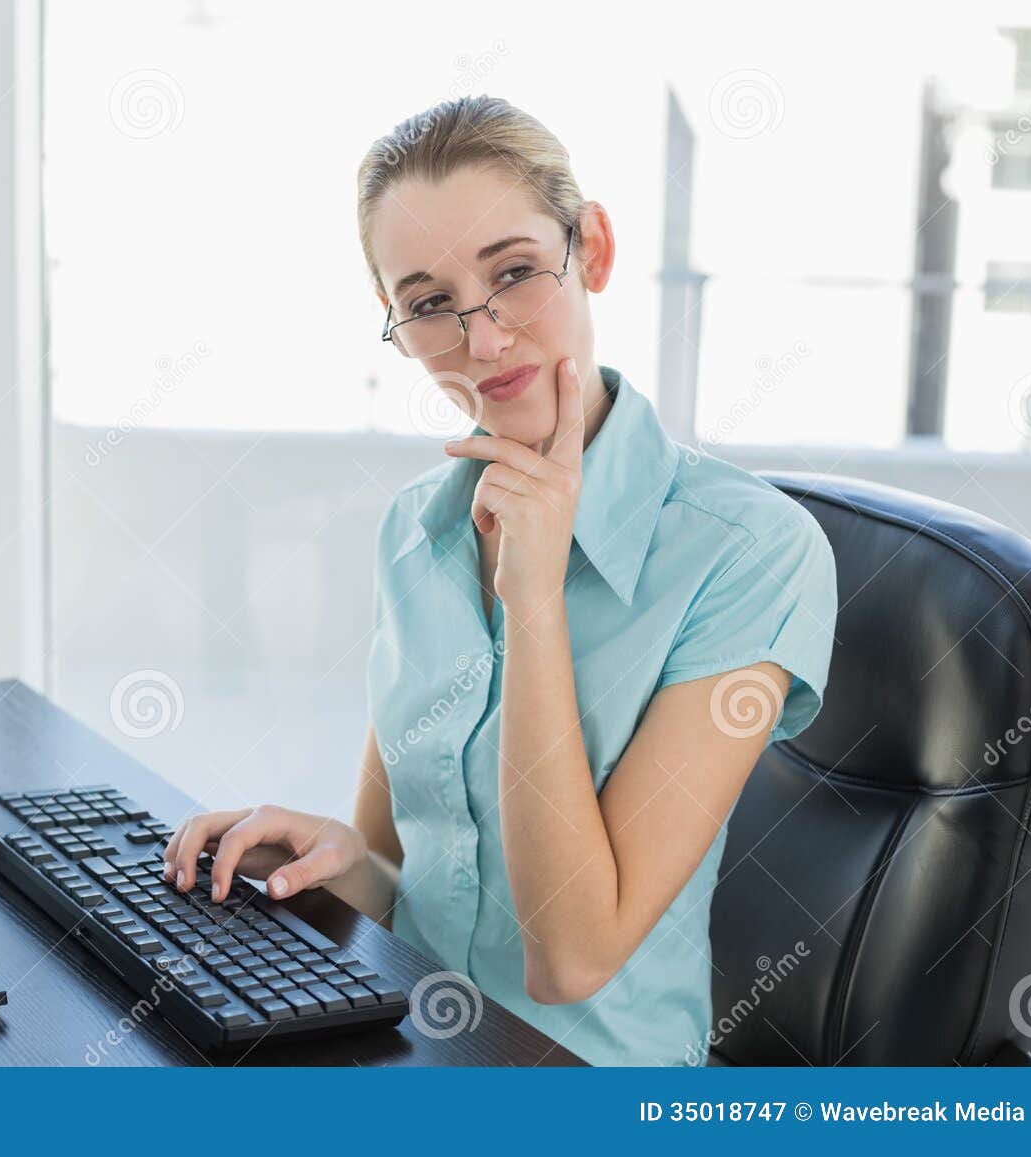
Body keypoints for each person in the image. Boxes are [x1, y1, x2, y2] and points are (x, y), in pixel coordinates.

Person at [162, 94, 838, 1066]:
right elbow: (396, 871)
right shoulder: (415, 530)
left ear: (592, 248)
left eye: (515, 273)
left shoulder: (749, 553)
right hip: (408, 1048)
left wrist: (534, 597)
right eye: (429, 302)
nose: (482, 342)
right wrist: (331, 862)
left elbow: (570, 957)